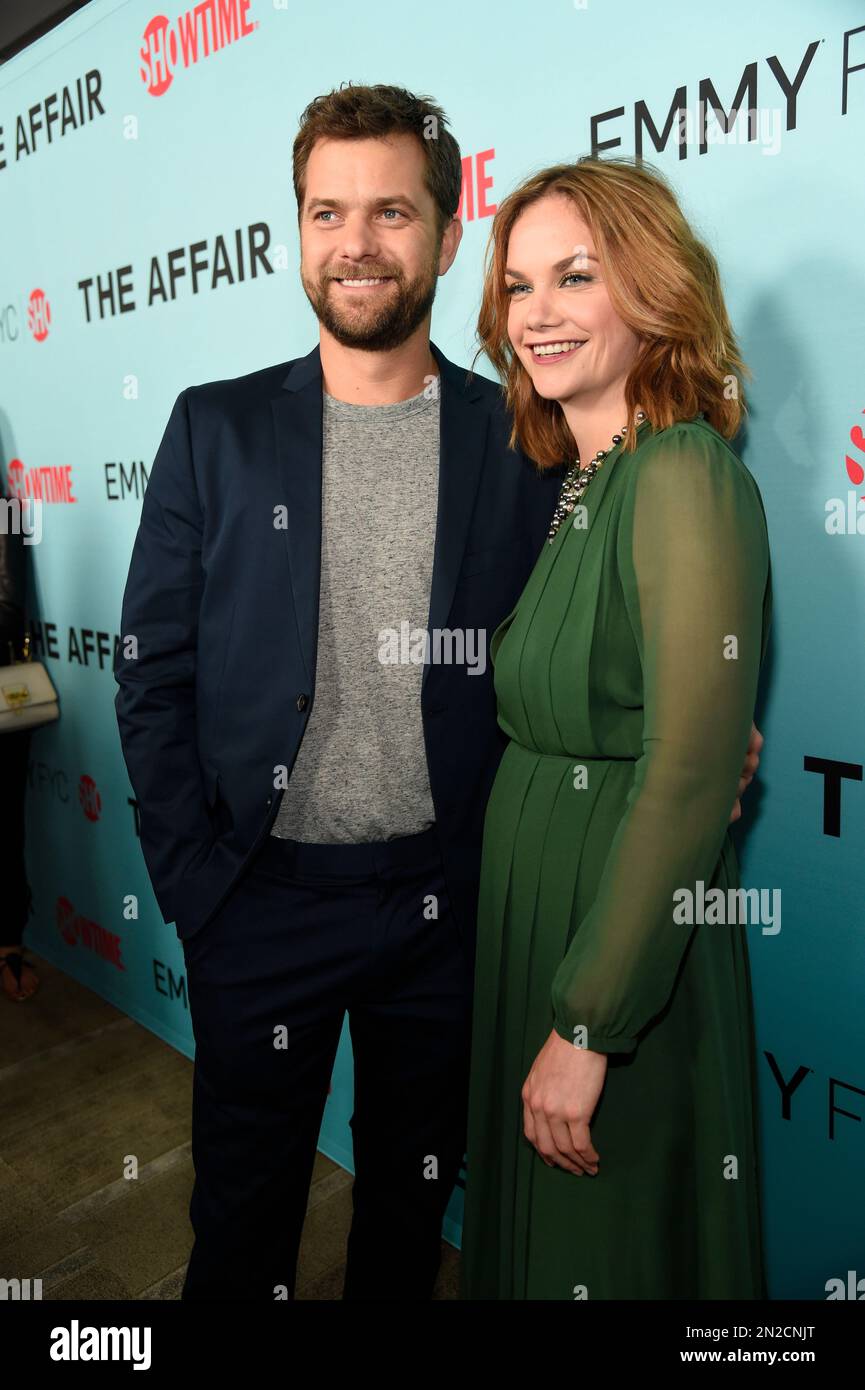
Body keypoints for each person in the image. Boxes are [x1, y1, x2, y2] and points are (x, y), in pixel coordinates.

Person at [113, 87, 761, 1301]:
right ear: (298, 233)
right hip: (261, 905)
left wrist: (702, 720)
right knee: (241, 1228)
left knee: (407, 1231)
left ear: (447, 236)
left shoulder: (523, 438)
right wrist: (201, 891)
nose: (356, 241)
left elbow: (597, 634)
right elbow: (150, 676)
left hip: (447, 918)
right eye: (327, 212)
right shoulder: (216, 430)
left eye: (391, 211)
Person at [460, 156, 772, 1300]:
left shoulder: (681, 471)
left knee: (613, 1249)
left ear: (649, 289)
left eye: (573, 277)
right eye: (518, 285)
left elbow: (690, 772)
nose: (537, 314)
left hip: (619, 942)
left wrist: (589, 1024)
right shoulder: (586, 479)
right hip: (540, 915)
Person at [0, 484, 38, 1001]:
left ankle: (6, 944)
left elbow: (8, 609)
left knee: (3, 826)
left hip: (3, 695)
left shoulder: (4, 508)